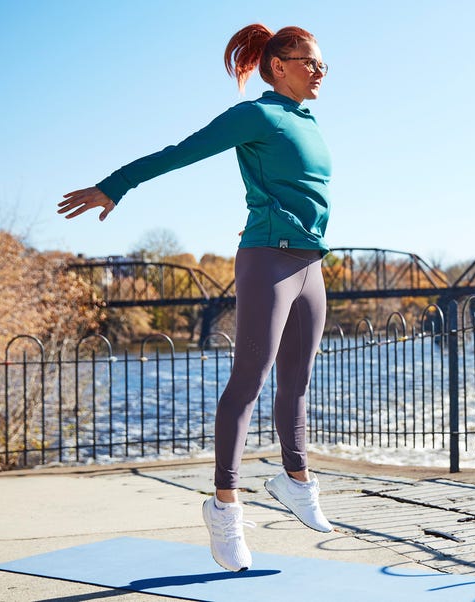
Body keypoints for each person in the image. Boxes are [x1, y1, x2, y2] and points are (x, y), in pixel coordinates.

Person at [58, 24, 335, 572]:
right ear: (278, 65)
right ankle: (224, 507)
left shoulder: (309, 122)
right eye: (309, 62)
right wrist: (116, 184)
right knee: (249, 381)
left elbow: (297, 192)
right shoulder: (255, 115)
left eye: (323, 64)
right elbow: (180, 153)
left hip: (311, 264)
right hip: (269, 261)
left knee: (298, 381)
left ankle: (294, 478)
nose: (319, 71)